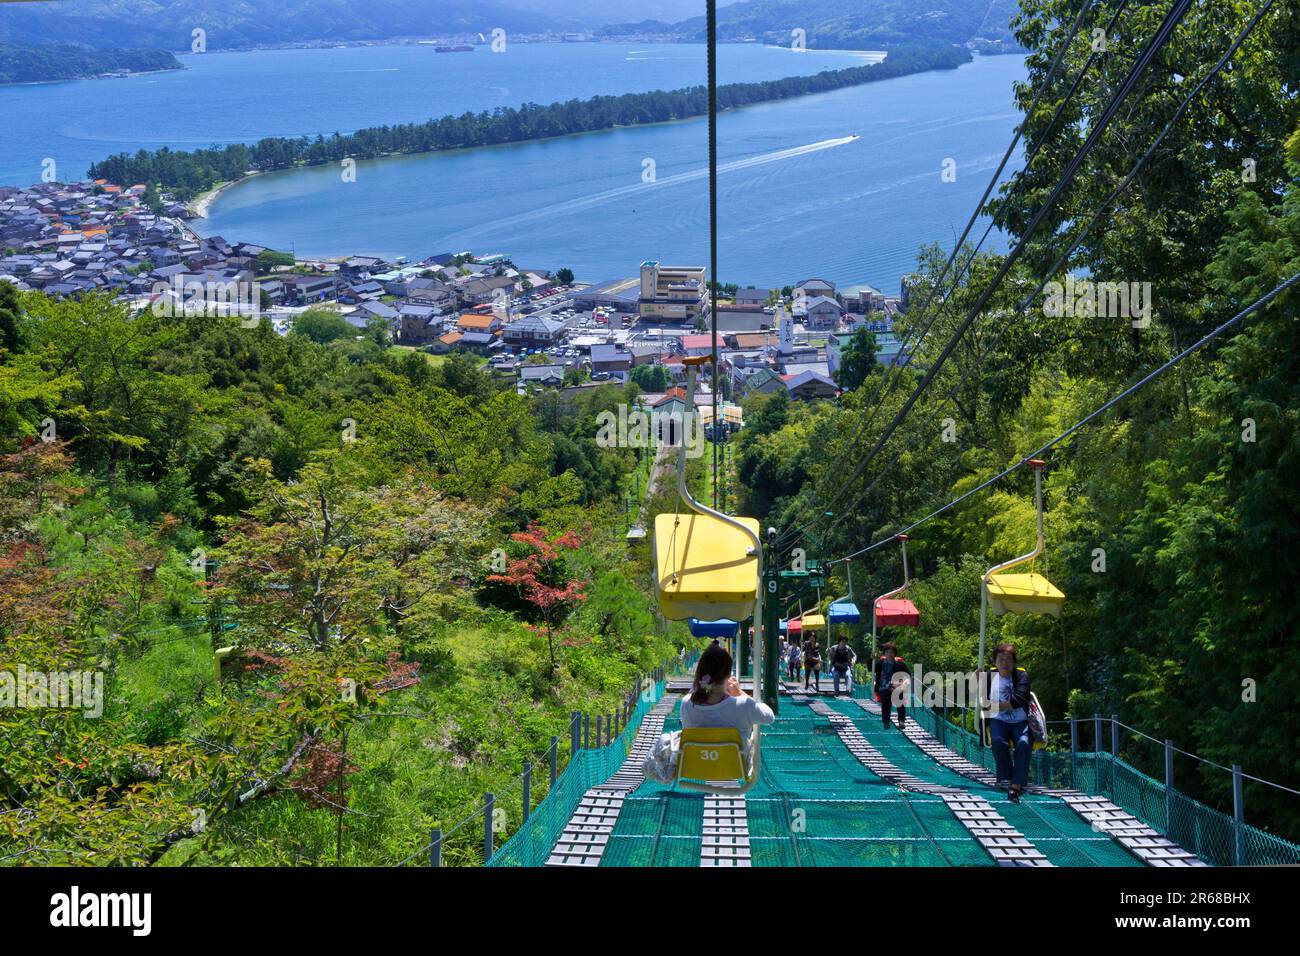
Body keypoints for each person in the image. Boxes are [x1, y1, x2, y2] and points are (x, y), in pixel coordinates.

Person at [679, 641, 775, 766]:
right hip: (735, 766)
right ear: (728, 674)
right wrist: (740, 693)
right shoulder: (742, 705)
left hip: (697, 766)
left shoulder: (687, 703)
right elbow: (769, 716)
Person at [984, 643, 1033, 803]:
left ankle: (1016, 785)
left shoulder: (1021, 676)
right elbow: (971, 690)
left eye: (1008, 660)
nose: (1004, 663)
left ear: (1014, 662)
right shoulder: (989, 676)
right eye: (1001, 659)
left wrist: (995, 706)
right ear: (995, 662)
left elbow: (1019, 699)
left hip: (1020, 721)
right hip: (999, 719)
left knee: (1024, 743)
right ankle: (1005, 778)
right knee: (998, 741)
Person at [874, 641, 911, 730]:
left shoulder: (900, 664)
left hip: (896, 686)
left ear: (894, 654)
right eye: (887, 652)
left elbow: (907, 675)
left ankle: (901, 721)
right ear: (884, 654)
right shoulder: (880, 663)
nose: (889, 654)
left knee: (899, 701)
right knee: (886, 703)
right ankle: (886, 721)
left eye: (891, 652)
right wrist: (871, 659)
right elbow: (870, 668)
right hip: (883, 687)